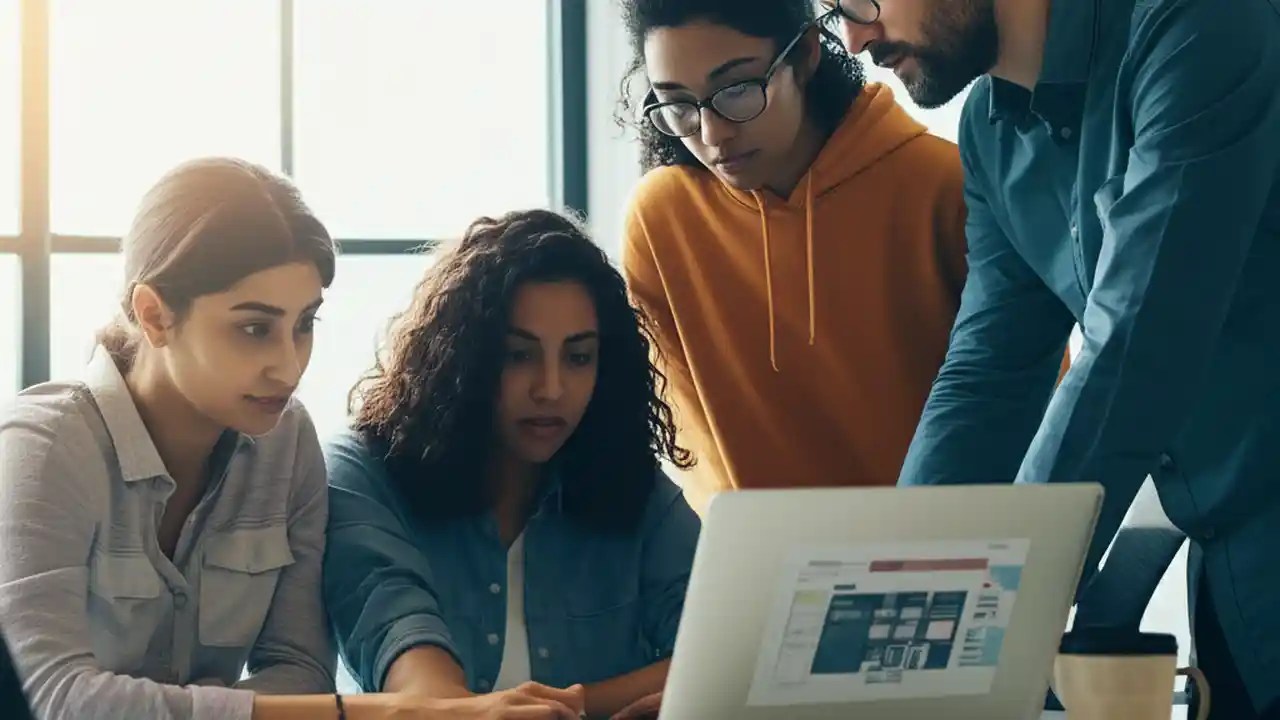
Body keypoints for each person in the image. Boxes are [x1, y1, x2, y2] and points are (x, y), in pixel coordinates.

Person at [825, 0, 1280, 717]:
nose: (853, 36)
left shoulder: (1201, 21)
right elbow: (986, 379)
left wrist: (1000, 602)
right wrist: (897, 602)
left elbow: (1141, 334)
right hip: (1232, 589)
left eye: (862, 0)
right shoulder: (989, 132)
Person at [0, 159, 580, 720]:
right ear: (154, 315)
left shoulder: (286, 440)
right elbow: (51, 697)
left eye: (304, 324)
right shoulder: (44, 446)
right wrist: (386, 712)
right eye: (254, 329)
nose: (289, 365)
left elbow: (301, 671)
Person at [323, 209, 700, 720]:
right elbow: (402, 647)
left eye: (578, 358)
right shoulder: (366, 472)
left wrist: (577, 704)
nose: (551, 389)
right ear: (462, 359)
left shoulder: (631, 485)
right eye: (518, 356)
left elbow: (721, 650)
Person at [616, 0, 972, 516]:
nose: (713, 135)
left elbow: (1022, 399)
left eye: (737, 90)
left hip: (939, 552)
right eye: (678, 105)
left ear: (805, 54)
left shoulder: (942, 187)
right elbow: (694, 454)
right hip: (755, 568)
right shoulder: (661, 221)